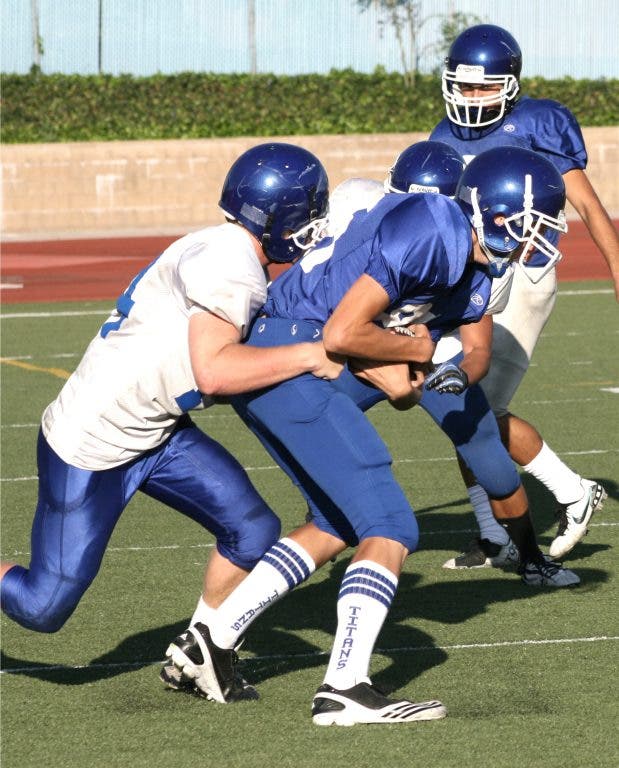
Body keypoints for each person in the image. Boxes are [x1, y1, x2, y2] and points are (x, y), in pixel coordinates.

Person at [164, 147, 572, 725]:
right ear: (495, 211)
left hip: (286, 357)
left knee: (335, 522)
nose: (542, 239)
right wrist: (420, 352)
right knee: (392, 524)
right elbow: (342, 330)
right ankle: (345, 689)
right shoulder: (434, 230)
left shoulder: (466, 257)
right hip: (294, 356)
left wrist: (412, 372)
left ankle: (210, 640)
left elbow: (402, 377)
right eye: (537, 224)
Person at [0, 143, 343, 662]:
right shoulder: (233, 266)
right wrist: (310, 355)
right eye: (310, 211)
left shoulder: (221, 245)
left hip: (156, 430)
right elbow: (215, 370)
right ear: (282, 215)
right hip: (91, 444)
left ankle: (199, 651)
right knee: (42, 605)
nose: (313, 224)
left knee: (252, 531)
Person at [430, 24, 614, 566]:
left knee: (475, 408)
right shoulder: (443, 135)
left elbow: (587, 203)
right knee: (456, 404)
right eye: (464, 87)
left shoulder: (538, 121)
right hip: (471, 284)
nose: (472, 98)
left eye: (485, 87)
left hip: (527, 274)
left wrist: (617, 265)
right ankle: (493, 534)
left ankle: (572, 491)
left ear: (509, 84)